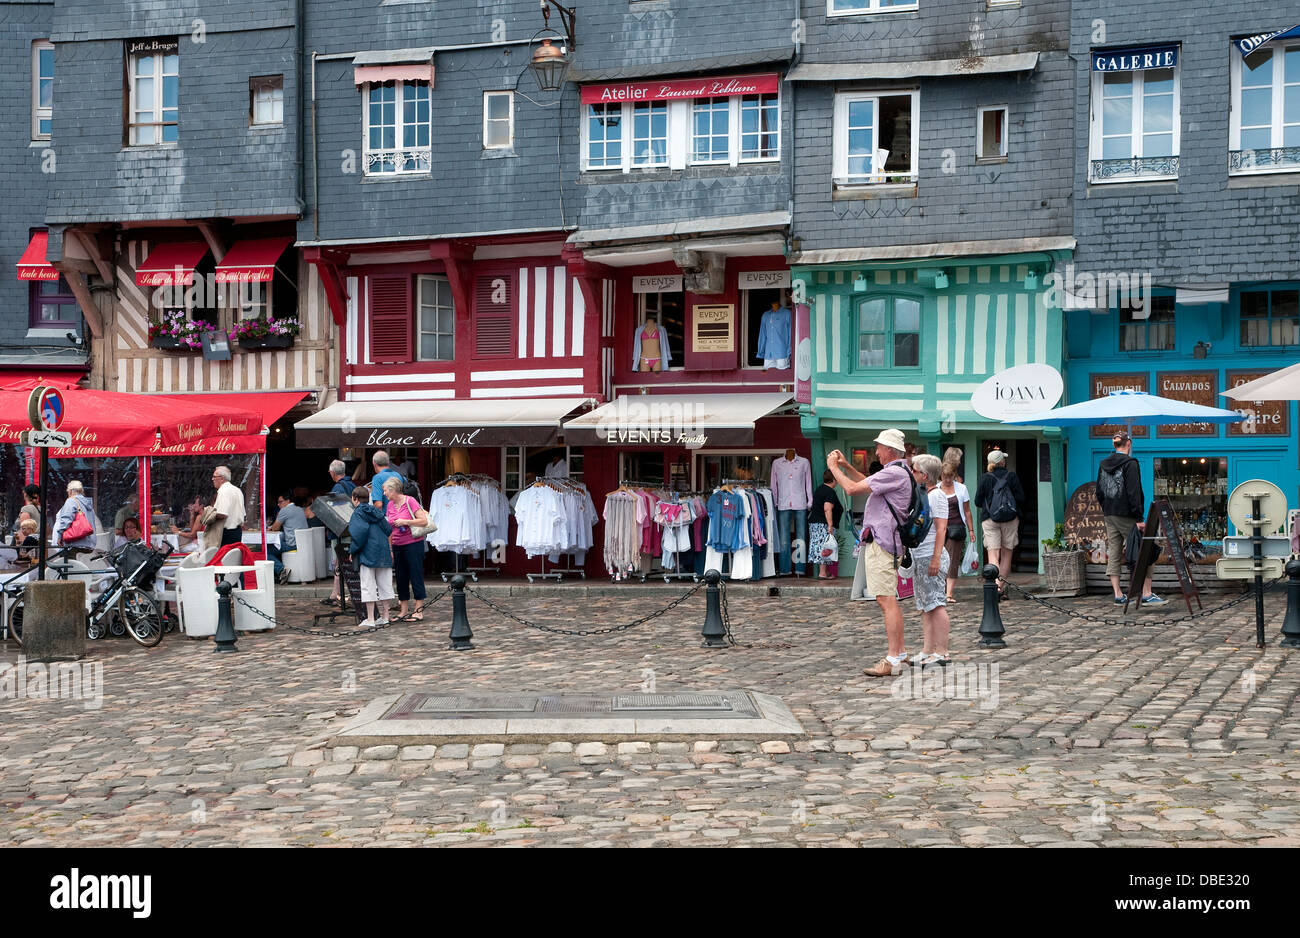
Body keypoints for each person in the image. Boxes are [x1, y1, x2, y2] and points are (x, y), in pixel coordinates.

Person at [826, 428, 915, 677]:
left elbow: (853, 490)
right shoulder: (897, 472)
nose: (876, 451)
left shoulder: (895, 473)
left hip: (884, 543)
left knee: (886, 600)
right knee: (887, 599)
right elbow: (865, 482)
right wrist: (845, 466)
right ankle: (901, 653)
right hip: (889, 542)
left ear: (889, 450)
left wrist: (833, 468)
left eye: (878, 447)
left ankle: (893, 658)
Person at [1097, 431, 1166, 606]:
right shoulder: (1130, 464)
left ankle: (1118, 594)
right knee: (1146, 548)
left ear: (1114, 445)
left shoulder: (1103, 464)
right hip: (1127, 515)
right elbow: (1134, 492)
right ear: (1129, 444)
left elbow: (1099, 491)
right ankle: (1146, 592)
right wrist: (1138, 517)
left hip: (1109, 514)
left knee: (1114, 552)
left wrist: (1107, 508)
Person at [909, 454, 952, 668]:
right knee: (926, 606)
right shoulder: (925, 495)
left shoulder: (937, 497)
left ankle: (942, 651)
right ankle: (927, 650)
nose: (912, 473)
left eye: (915, 470)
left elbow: (941, 528)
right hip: (921, 555)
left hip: (931, 555)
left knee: (936, 603)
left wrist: (936, 558)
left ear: (925, 475)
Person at [974, 449, 1024, 597]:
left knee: (993, 553)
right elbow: (1021, 498)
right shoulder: (1012, 476)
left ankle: (994, 586)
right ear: (1002, 462)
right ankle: (999, 587)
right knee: (1007, 553)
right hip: (1010, 519)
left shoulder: (985, 478)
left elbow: (977, 501)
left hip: (990, 519)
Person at [346, 486, 394, 628]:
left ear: (355, 499)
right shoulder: (377, 512)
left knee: (368, 585)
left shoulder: (357, 514)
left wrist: (353, 550)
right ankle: (386, 616)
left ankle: (371, 618)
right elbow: (388, 529)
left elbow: (359, 534)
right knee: (385, 584)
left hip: (367, 552)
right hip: (383, 551)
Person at [383, 477, 430, 622]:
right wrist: (390, 548)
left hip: (413, 544)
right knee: (401, 577)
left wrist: (406, 522)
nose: (384, 494)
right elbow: (389, 528)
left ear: (392, 490)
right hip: (397, 545)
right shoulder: (390, 505)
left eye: (385, 490)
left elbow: (424, 521)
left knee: (415, 574)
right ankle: (403, 610)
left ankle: (418, 610)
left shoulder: (410, 501)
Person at [939, 457, 975, 603]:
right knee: (939, 559)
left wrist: (971, 530)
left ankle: (949, 593)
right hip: (940, 528)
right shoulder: (936, 489)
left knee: (952, 560)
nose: (947, 479)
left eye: (950, 476)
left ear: (954, 475)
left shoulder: (961, 488)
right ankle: (940, 590)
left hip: (956, 527)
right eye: (944, 476)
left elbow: (967, 511)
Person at [267, 491, 309, 584]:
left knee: (265, 551)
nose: (278, 504)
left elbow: (275, 528)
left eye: (280, 502)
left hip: (292, 544)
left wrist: (271, 526)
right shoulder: (299, 509)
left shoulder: (284, 510)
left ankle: (282, 570)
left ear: (288, 501)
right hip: (303, 542)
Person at [809, 469, 843, 579]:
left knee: (823, 546)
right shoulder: (829, 492)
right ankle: (822, 573)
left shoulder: (820, 489)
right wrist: (830, 525)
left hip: (816, 523)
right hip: (822, 524)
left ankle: (824, 572)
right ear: (833, 479)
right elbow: (827, 508)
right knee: (825, 547)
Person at [52, 480, 101, 551]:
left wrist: (59, 536)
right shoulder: (88, 505)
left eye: (68, 491)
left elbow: (66, 520)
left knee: (66, 561)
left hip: (74, 544)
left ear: (71, 491)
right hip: (88, 545)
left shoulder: (71, 501)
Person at [755, 296, 792, 370]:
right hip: (768, 354)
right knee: (769, 377)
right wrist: (761, 351)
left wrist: (789, 351)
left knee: (782, 378)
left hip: (782, 353)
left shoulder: (787, 314)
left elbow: (791, 334)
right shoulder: (765, 315)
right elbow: (762, 335)